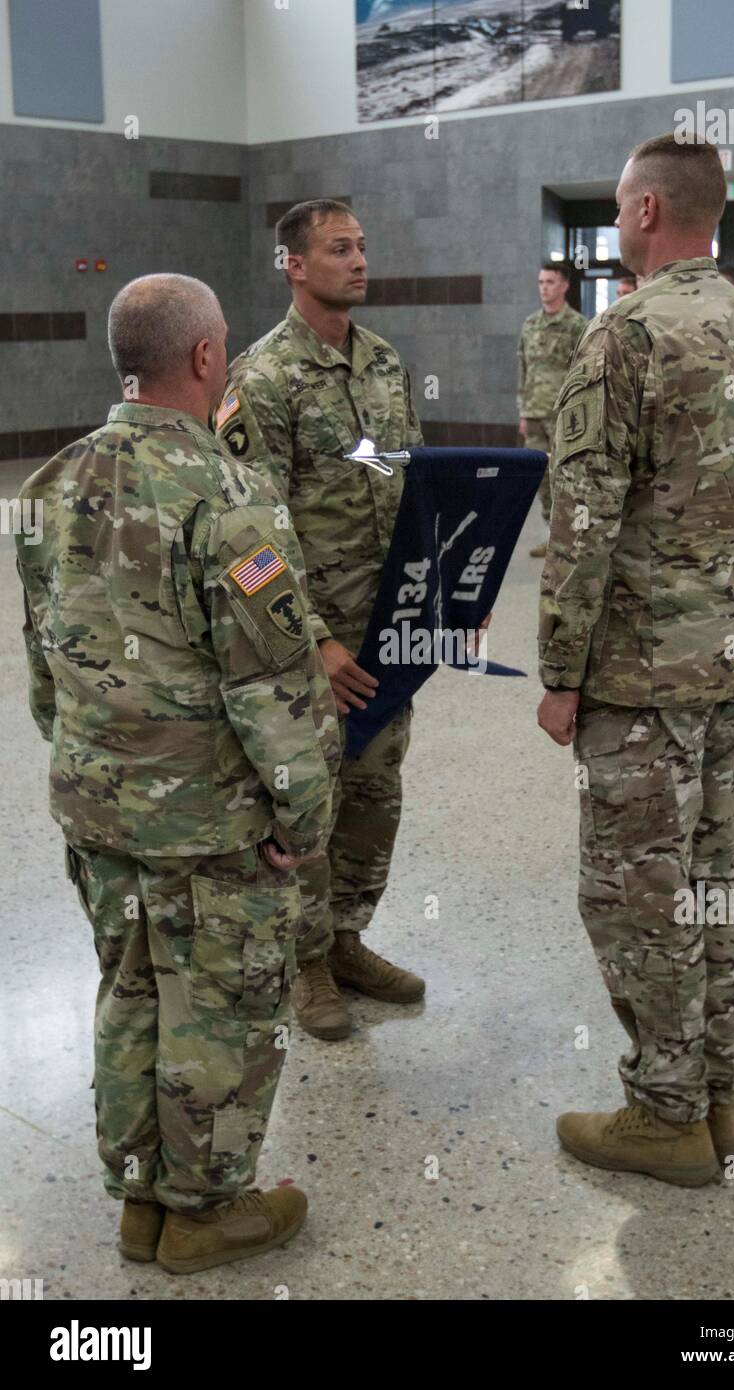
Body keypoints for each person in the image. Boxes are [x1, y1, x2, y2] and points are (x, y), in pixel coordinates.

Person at [15, 274, 339, 1273]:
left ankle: (140, 1199)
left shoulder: (49, 482)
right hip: (209, 820)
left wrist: (88, 765)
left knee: (130, 990)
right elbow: (271, 682)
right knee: (222, 1006)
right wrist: (303, 813)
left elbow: (43, 663)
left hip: (98, 803)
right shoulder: (228, 492)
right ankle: (207, 1210)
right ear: (205, 359)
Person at [536, 134, 734, 1187]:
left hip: (643, 679)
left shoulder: (626, 338)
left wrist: (559, 673)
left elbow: (582, 521)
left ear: (647, 211)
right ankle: (719, 1093)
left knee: (635, 894)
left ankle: (663, 1114)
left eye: (617, 207)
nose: (614, 223)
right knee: (713, 884)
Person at [215, 200, 425, 1043]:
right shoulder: (257, 379)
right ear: (294, 264)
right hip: (308, 646)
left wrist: (432, 603)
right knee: (307, 802)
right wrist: (315, 639)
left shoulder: (384, 362)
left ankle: (346, 939)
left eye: (364, 246)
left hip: (386, 628)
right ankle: (304, 963)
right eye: (340, 249)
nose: (359, 261)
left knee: (376, 794)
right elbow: (247, 534)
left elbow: (412, 482)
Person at [517, 262, 588, 556]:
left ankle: (573, 537)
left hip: (563, 415)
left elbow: (584, 371)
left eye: (550, 282)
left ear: (564, 286)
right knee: (540, 478)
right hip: (534, 412)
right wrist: (522, 410)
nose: (544, 287)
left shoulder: (577, 325)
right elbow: (523, 368)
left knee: (567, 476)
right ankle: (552, 535)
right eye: (541, 282)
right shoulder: (530, 324)